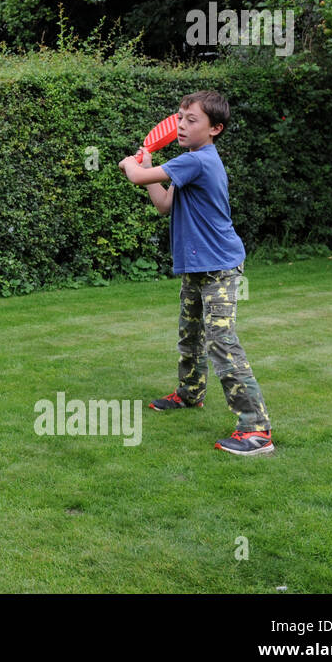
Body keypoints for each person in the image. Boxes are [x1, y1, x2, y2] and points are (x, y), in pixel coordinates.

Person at [119, 91, 274, 456]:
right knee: (190, 335)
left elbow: (139, 177)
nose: (182, 125)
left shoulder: (199, 161)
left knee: (221, 340)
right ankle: (190, 393)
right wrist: (146, 166)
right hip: (198, 266)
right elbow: (163, 203)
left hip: (219, 267)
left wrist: (133, 165)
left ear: (215, 129)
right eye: (180, 117)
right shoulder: (189, 161)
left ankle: (257, 429)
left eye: (192, 120)